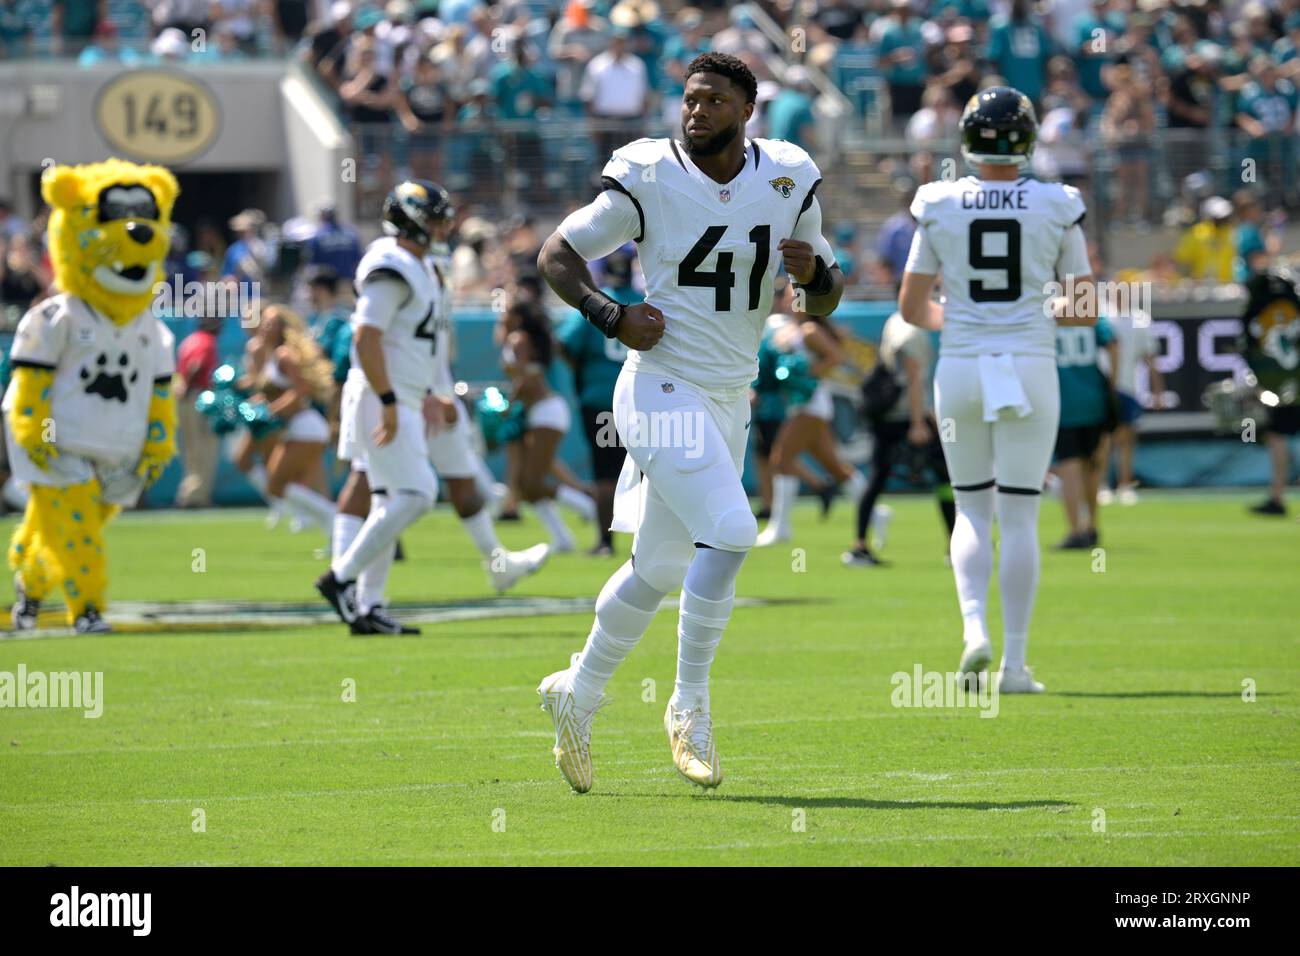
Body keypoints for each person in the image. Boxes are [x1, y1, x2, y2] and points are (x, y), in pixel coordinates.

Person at [534, 52, 844, 792]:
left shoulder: (789, 173)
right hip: (659, 385)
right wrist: (610, 314)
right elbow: (556, 254)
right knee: (734, 530)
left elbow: (825, 297)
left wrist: (813, 278)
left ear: (746, 111)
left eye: (712, 101)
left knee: (661, 566)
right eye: (690, 99)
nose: (696, 111)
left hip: (730, 394)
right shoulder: (650, 170)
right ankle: (689, 706)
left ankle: (577, 692)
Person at [899, 86, 1096, 694]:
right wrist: (1033, 311)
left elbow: (911, 306)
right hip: (1029, 366)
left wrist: (960, 321)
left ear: (968, 138)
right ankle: (1014, 664)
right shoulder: (1058, 202)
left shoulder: (938, 200)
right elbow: (1085, 307)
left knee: (972, 509)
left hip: (960, 365)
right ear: (1029, 139)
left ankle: (972, 628)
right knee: (1020, 513)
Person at [315, 180, 452, 633]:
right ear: (412, 219)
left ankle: (368, 607)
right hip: (382, 394)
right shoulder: (390, 263)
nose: (443, 225)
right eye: (434, 217)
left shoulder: (424, 265)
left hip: (403, 394)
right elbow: (366, 336)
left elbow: (417, 340)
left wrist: (431, 391)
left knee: (388, 499)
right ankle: (340, 579)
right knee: (418, 494)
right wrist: (390, 400)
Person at [845, 309, 955, 566]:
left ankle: (859, 545)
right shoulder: (911, 330)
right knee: (944, 477)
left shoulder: (895, 321)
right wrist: (919, 422)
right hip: (905, 414)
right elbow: (914, 380)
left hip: (889, 414)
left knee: (878, 478)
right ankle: (954, 543)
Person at [755, 306, 867, 546]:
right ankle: (875, 515)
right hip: (801, 404)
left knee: (780, 460)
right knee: (835, 468)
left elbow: (837, 356)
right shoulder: (787, 327)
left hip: (812, 403)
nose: (787, 297)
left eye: (793, 293)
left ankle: (780, 527)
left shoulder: (809, 329)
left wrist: (808, 373)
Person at [556, 244, 638, 556]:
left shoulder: (597, 300)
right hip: (643, 398)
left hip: (601, 398)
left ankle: (606, 543)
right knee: (649, 472)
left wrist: (582, 367)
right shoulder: (646, 299)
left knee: (605, 475)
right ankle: (649, 544)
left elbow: (564, 341)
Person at [234, 305, 337, 535]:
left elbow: (301, 391)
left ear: (281, 328)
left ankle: (331, 515)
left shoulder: (284, 354)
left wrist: (270, 411)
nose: (264, 326)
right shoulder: (272, 355)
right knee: (276, 485)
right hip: (296, 429)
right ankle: (330, 524)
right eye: (265, 322)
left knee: (277, 484)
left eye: (270, 323)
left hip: (306, 428)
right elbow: (273, 392)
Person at [498, 299, 591, 553]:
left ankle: (587, 505)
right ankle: (562, 537)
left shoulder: (519, 339)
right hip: (541, 412)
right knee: (528, 486)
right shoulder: (521, 338)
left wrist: (509, 402)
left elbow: (526, 375)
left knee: (532, 482)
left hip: (545, 412)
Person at [1052, 315, 1117, 548]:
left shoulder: (1046, 317)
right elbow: (1112, 342)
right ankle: (1091, 525)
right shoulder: (1090, 317)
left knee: (1068, 465)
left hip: (1063, 402)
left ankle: (1075, 530)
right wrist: (1113, 384)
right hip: (1093, 400)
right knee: (1091, 466)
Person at [1240, 266, 1300, 516]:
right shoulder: (1292, 308)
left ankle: (1277, 496)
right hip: (1291, 384)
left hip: (1282, 387)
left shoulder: (1259, 315)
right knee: (1276, 436)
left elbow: (1253, 351)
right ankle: (1276, 496)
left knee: (1276, 437)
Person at [174, 313, 224, 508]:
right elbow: (197, 364)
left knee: (191, 449)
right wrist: (188, 385)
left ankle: (188, 493)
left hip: (185, 398)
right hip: (199, 395)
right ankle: (197, 496)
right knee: (205, 448)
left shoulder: (189, 340)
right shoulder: (207, 341)